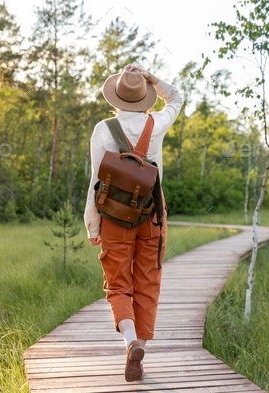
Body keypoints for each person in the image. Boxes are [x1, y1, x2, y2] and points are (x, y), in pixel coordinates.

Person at [83, 64, 182, 382]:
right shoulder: (158, 123)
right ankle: (138, 349)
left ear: (116, 98)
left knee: (117, 284)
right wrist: (152, 78)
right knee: (148, 282)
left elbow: (95, 181)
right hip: (153, 214)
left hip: (113, 216)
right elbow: (176, 98)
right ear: (145, 98)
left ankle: (129, 343)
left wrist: (92, 224)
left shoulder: (102, 129)